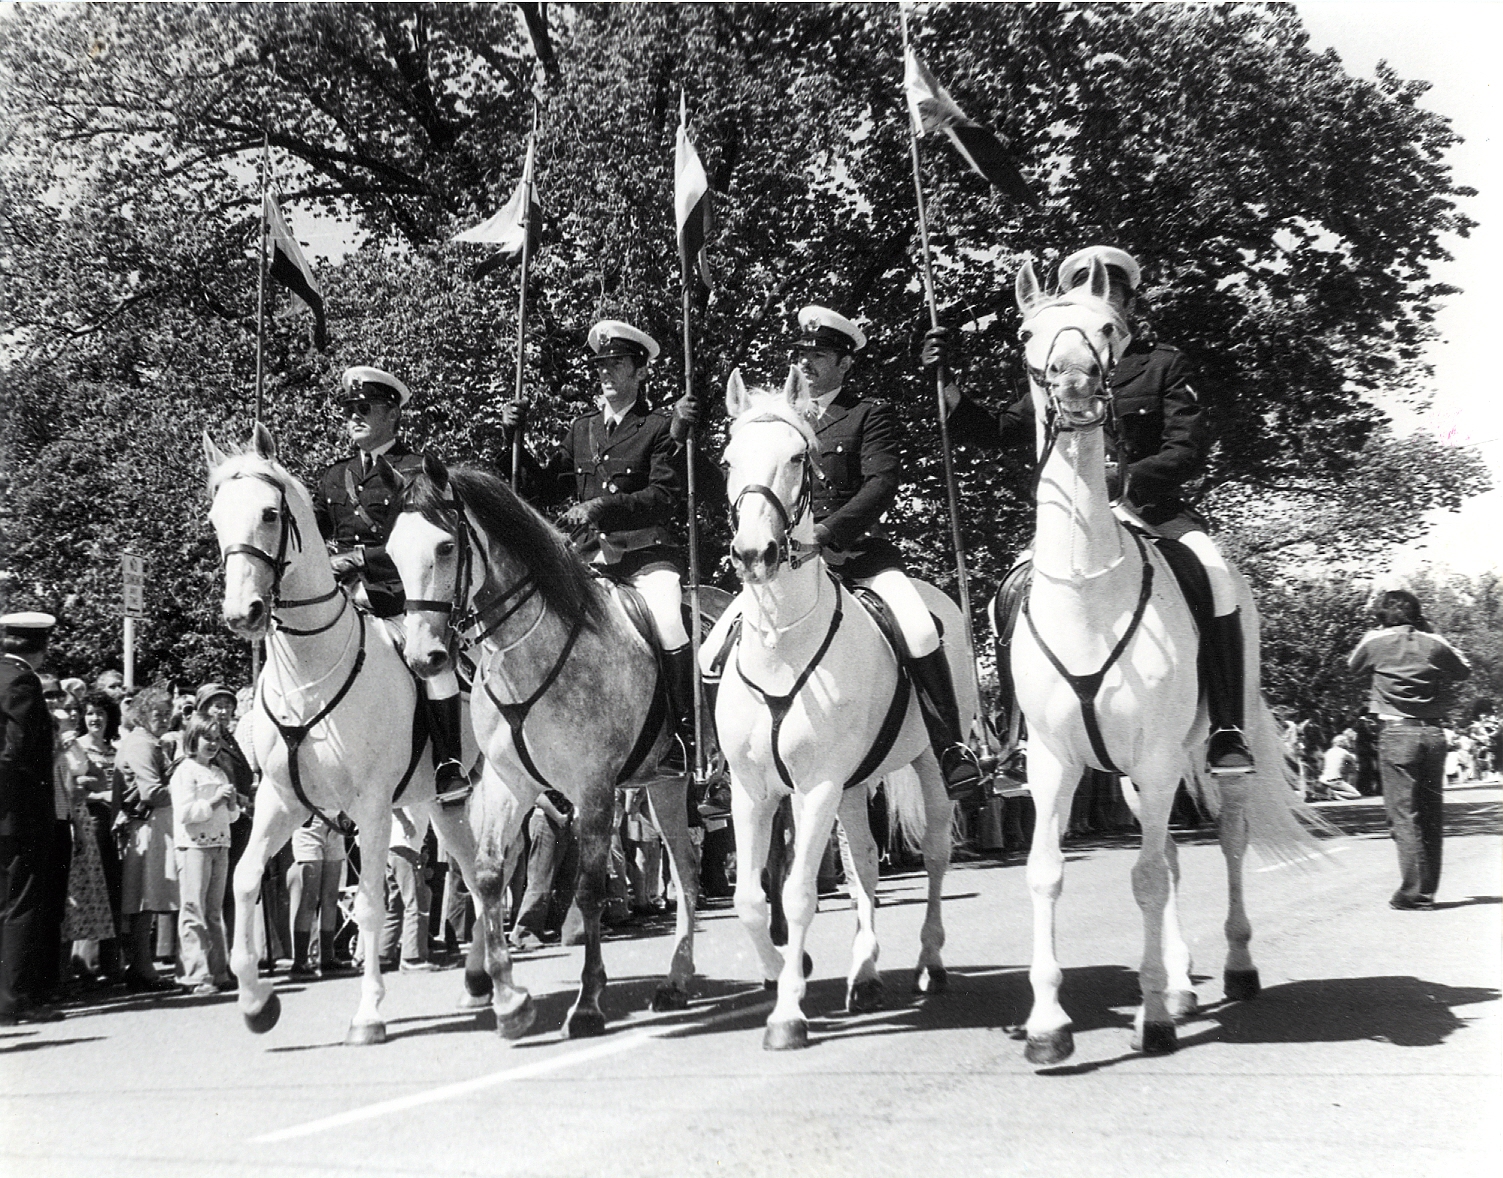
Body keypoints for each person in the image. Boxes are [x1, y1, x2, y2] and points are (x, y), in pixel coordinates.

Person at [924, 246, 1254, 775]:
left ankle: (1228, 729)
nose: (1104, 300)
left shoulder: (1161, 362)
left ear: (1125, 300)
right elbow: (998, 429)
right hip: (1073, 522)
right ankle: (1020, 733)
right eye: (1085, 290)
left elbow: (1187, 448)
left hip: (1152, 513)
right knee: (1005, 596)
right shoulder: (1059, 366)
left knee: (1217, 579)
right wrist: (948, 388)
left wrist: (1125, 479)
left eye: (1112, 292)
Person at [772, 305, 983, 803]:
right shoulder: (781, 420)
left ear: (845, 364)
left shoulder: (869, 413)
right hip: (790, 566)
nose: (806, 365)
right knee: (726, 641)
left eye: (819, 356)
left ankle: (951, 748)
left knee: (919, 626)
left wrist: (825, 533)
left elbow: (881, 484)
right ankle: (719, 763)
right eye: (802, 355)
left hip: (858, 558)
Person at [500, 320, 700, 775]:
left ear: (639, 371)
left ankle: (683, 738)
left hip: (646, 558)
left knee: (669, 623)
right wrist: (513, 439)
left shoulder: (659, 428)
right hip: (588, 561)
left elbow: (663, 498)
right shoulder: (582, 429)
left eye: (617, 364)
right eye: (601, 365)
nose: (606, 373)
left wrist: (600, 508)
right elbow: (542, 487)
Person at [312, 366, 469, 805]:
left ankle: (448, 763)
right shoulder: (331, 477)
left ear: (392, 415)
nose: (354, 417)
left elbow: (426, 542)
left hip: (400, 598)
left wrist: (361, 558)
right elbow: (309, 535)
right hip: (343, 602)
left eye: (364, 408)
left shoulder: (417, 470)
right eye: (348, 410)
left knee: (434, 667)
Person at [1347, 589, 1472, 910]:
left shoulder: (1374, 641)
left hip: (1397, 731)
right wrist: (1432, 636)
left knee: (1404, 815)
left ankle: (1413, 892)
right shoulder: (1434, 643)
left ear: (1382, 614)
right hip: (1432, 732)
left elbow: (1353, 666)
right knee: (1431, 814)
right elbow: (1464, 670)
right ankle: (1426, 891)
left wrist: (1377, 635)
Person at [0, 611, 66, 1024]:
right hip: (17, 812)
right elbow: (20, 751)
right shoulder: (22, 682)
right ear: (41, 647)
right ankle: (11, 998)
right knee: (19, 904)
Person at [114, 685, 180, 990]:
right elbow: (150, 792)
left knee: (145, 901)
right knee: (142, 900)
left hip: (150, 826)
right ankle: (142, 969)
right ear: (143, 714)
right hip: (145, 828)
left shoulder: (149, 741)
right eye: (158, 714)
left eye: (168, 713)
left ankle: (140, 967)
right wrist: (187, 790)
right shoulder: (141, 744)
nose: (165, 719)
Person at [167, 715, 238, 995]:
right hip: (193, 846)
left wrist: (231, 803)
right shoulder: (185, 771)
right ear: (192, 740)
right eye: (207, 738)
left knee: (212, 911)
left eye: (217, 738)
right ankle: (195, 974)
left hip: (220, 844)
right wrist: (215, 801)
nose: (212, 744)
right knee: (193, 909)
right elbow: (185, 814)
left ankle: (218, 970)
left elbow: (231, 817)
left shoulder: (219, 773)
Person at [194, 682, 254, 940]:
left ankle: (231, 947)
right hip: (217, 820)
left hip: (238, 819)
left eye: (228, 706)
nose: (224, 711)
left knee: (232, 888)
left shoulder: (229, 738)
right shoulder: (205, 742)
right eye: (218, 705)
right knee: (220, 890)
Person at [72, 690, 124, 981]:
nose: (95, 719)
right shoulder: (76, 748)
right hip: (88, 823)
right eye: (90, 713)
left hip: (113, 824)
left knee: (113, 891)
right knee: (90, 892)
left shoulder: (115, 749)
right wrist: (99, 793)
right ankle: (85, 965)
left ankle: (111, 964)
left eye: (101, 713)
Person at [286, 813, 350, 978]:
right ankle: (300, 961)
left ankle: (327, 958)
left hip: (335, 826)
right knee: (309, 898)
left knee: (330, 897)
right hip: (310, 824)